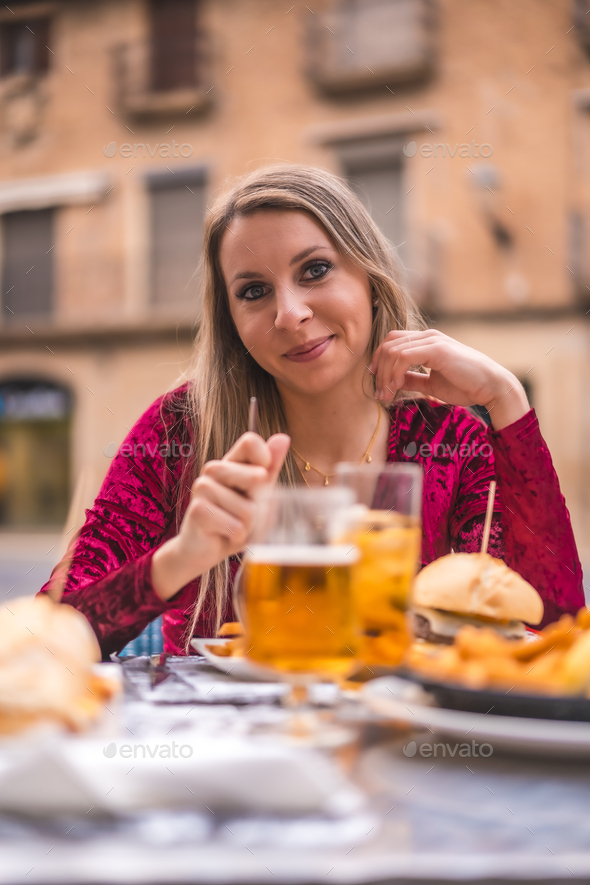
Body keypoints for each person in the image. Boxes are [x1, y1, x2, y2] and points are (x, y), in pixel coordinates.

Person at [40, 164, 584, 656]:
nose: (290, 313)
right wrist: (182, 557)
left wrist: (506, 400)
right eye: (254, 291)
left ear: (369, 278)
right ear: (231, 320)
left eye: (316, 270)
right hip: (229, 753)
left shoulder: (450, 443)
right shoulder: (181, 430)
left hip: (405, 753)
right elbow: (51, 632)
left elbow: (551, 635)